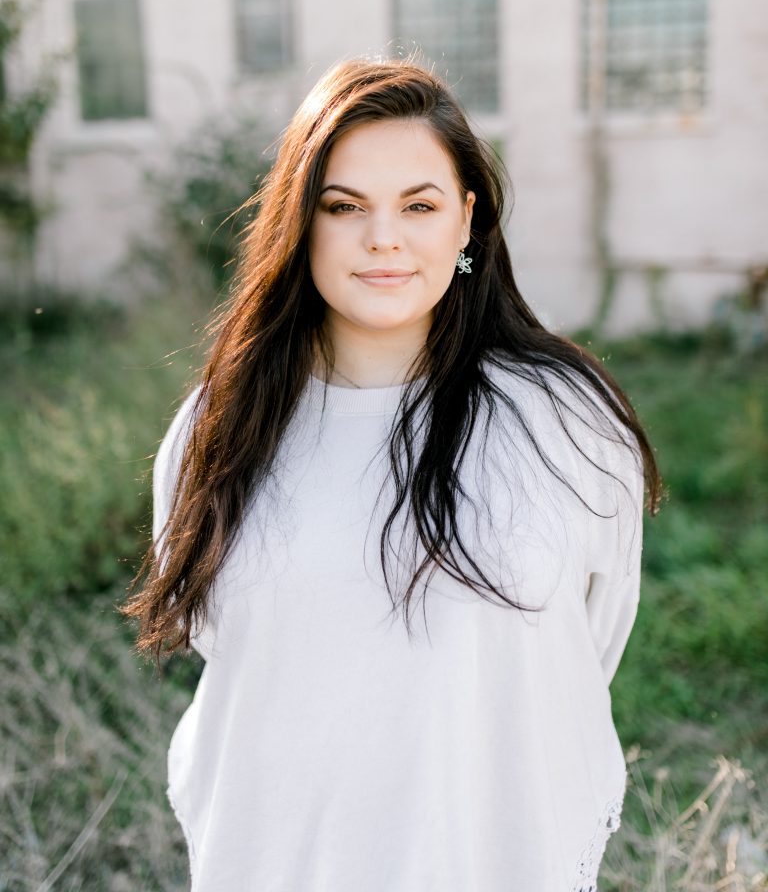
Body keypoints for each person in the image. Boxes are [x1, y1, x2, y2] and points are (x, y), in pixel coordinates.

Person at [125, 58, 661, 892]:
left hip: (496, 854)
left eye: (419, 204)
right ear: (299, 224)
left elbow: (590, 637)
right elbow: (228, 645)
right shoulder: (216, 427)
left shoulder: (566, 421)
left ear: (466, 221)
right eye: (344, 207)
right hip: (277, 855)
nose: (384, 238)